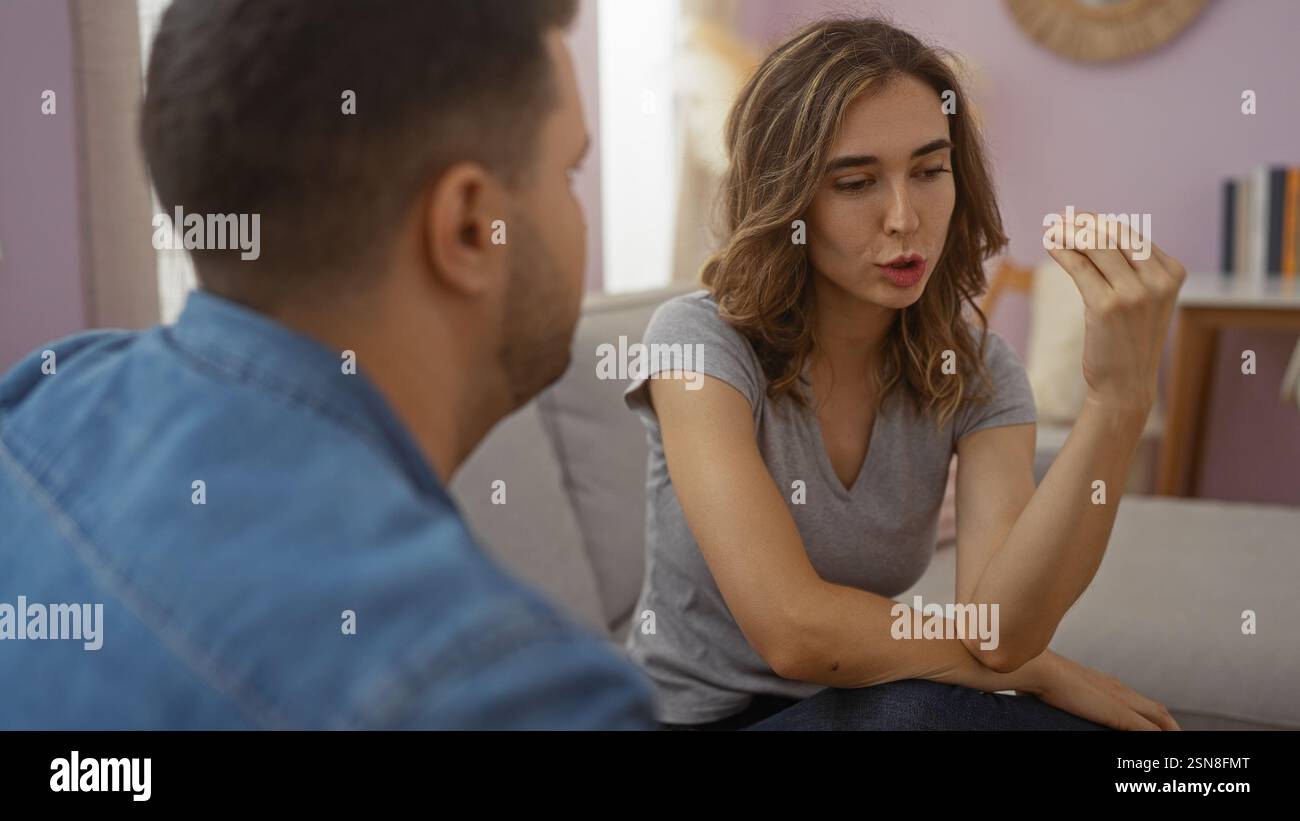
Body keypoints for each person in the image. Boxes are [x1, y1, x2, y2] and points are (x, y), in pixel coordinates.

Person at [0, 0, 655, 730]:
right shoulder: (511, 694)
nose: (578, 213)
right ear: (470, 227)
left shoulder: (40, 397)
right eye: (570, 173)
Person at [622, 17, 1186, 731]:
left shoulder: (977, 371)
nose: (904, 219)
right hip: (703, 720)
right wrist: (1040, 671)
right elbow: (794, 632)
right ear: (786, 197)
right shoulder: (699, 344)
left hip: (867, 702)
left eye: (929, 170)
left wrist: (1119, 399)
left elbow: (1002, 628)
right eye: (856, 182)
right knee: (922, 710)